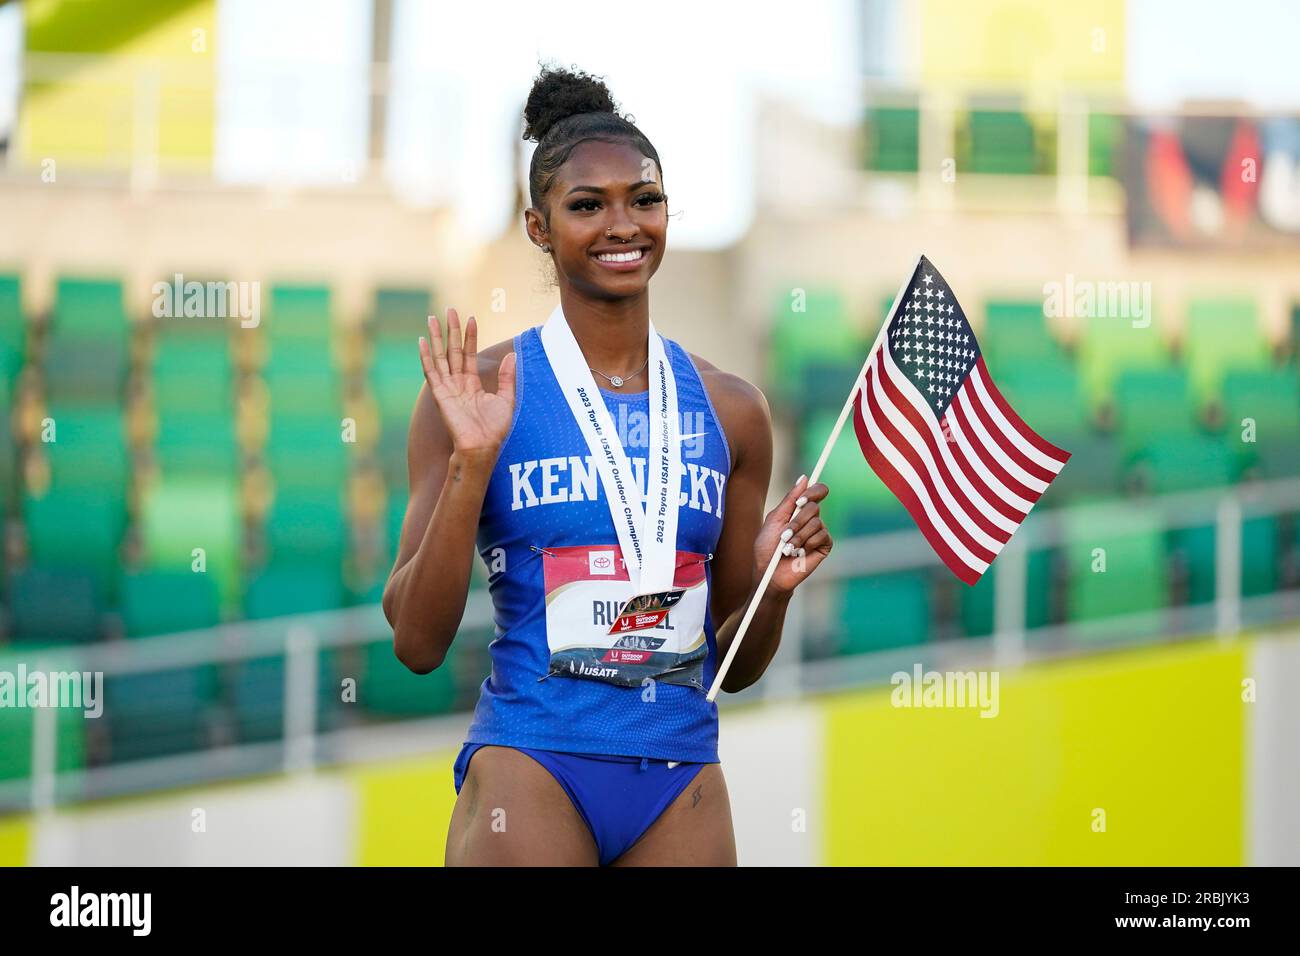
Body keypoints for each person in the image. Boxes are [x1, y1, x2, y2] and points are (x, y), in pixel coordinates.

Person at [382, 65, 833, 866]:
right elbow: (417, 642)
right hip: (534, 763)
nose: (623, 224)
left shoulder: (733, 410)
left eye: (645, 199)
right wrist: (472, 464)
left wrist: (773, 590)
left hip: (681, 772)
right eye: (587, 205)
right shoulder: (476, 393)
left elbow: (733, 665)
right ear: (538, 226)